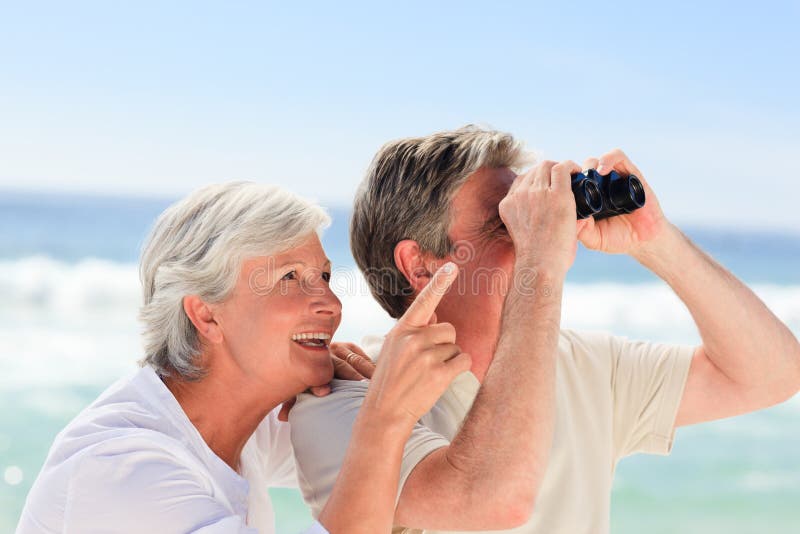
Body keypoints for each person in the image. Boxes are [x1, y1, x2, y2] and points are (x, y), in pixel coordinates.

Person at [289, 126, 800, 533]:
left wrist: (654, 239)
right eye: (507, 223)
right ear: (420, 265)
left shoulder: (585, 367)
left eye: (533, 218)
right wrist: (540, 261)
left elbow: (771, 374)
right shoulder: (349, 399)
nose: (540, 233)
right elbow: (495, 499)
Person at [16, 182, 471, 534]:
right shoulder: (121, 468)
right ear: (206, 315)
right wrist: (384, 415)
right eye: (291, 277)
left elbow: (410, 477)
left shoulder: (241, 425)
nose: (331, 305)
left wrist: (376, 397)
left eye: (325, 276)